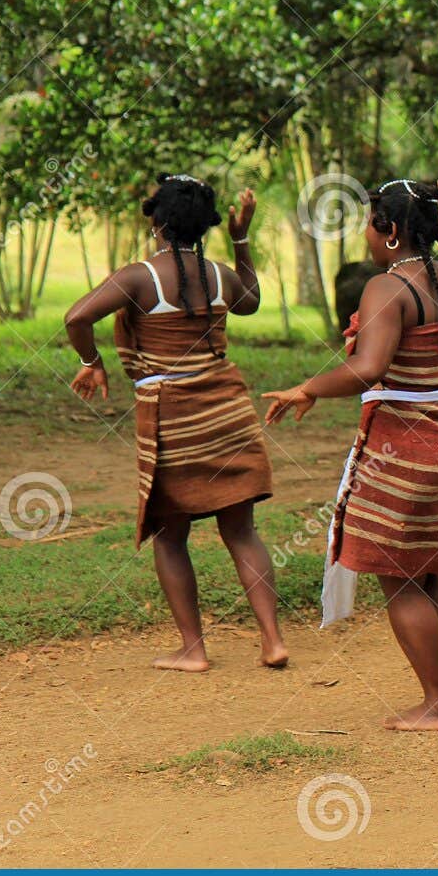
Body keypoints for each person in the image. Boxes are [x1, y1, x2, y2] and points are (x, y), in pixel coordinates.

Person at [263, 179, 438, 732]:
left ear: (387, 231)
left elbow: (369, 367)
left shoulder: (387, 288)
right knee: (431, 565)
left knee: (400, 575)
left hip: (408, 449)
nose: (365, 234)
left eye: (368, 223)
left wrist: (308, 387)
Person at [65, 175, 284, 673]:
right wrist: (241, 239)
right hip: (227, 411)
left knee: (169, 535)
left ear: (156, 222)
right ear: (206, 225)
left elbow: (77, 317)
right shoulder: (219, 273)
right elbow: (250, 300)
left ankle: (193, 649)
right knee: (242, 531)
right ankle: (272, 640)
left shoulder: (139, 277)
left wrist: (90, 361)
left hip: (173, 421)